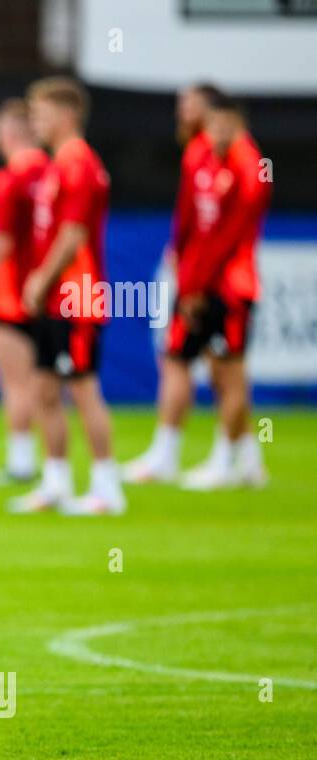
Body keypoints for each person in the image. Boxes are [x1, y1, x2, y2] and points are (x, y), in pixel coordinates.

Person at [124, 91, 271, 489]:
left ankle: (228, 460)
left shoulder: (251, 167)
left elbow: (231, 236)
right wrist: (182, 270)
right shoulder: (200, 155)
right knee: (177, 358)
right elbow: (189, 220)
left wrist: (196, 285)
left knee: (229, 374)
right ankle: (236, 459)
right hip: (195, 282)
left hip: (229, 287)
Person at [11, 76, 125, 516]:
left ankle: (106, 487)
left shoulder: (79, 164)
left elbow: (74, 233)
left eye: (41, 113)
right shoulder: (57, 164)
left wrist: (39, 278)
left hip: (76, 296)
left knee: (83, 390)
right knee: (43, 389)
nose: (35, 121)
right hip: (56, 296)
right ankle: (55, 481)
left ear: (68, 114)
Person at [0, 98, 50, 487]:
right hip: (52, 291)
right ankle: (56, 466)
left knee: (15, 382)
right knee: (47, 382)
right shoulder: (55, 174)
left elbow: (1, 239)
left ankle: (21, 461)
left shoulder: (8, 179)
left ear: (9, 134)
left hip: (12, 292)